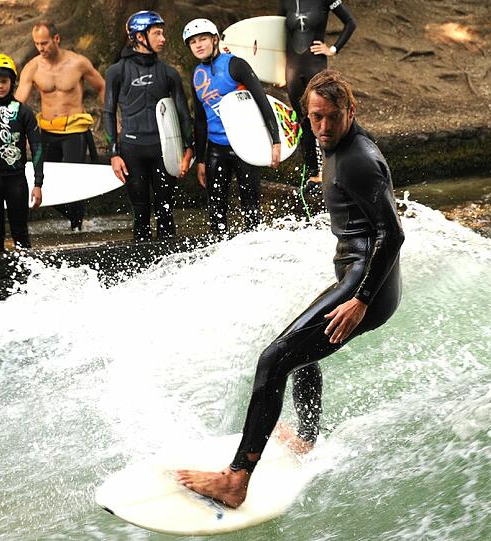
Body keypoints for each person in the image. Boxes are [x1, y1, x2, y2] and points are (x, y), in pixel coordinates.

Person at [176, 70, 404, 508]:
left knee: (273, 359)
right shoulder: (338, 143)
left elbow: (391, 235)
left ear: (349, 112)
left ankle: (236, 479)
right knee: (297, 350)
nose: (321, 127)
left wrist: (360, 300)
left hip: (365, 284)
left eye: (331, 118)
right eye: (314, 117)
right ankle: (305, 438)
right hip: (359, 278)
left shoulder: (358, 158)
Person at [183, 18, 281, 239]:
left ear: (215, 40)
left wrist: (275, 142)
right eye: (193, 42)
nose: (198, 45)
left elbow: (262, 102)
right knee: (216, 209)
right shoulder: (197, 75)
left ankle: (253, 247)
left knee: (251, 207)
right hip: (216, 150)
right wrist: (200, 160)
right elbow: (200, 120)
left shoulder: (236, 65)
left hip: (245, 146)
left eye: (203, 39)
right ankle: (220, 252)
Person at [103, 10, 194, 242]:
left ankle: (169, 263)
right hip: (131, 149)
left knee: (165, 209)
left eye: (162, 33)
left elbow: (184, 114)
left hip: (163, 149)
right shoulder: (116, 71)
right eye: (157, 33)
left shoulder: (169, 73)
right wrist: (114, 153)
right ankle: (143, 265)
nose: (163, 39)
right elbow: (108, 112)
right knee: (140, 210)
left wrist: (188, 150)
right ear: (140, 37)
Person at [15, 21, 105, 232]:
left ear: (56, 39)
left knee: (73, 180)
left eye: (44, 43)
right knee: (44, 182)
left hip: (74, 130)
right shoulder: (33, 67)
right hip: (47, 131)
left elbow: (102, 86)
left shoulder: (78, 63)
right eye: (36, 43)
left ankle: (77, 226)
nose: (40, 48)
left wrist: (114, 120)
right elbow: (19, 102)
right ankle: (77, 217)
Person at [278, 0, 356, 190]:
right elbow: (280, 34)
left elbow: (350, 22)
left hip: (316, 66)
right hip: (293, 70)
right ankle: (314, 175)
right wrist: (277, 69)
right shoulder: (285, 2)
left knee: (327, 119)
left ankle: (335, 171)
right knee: (304, 122)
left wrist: (332, 49)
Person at [0, 53, 44, 254]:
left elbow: (37, 147)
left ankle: (27, 277)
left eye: (4, 81)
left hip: (16, 181)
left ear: (12, 81)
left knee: (20, 232)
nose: (0, 86)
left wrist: (38, 183)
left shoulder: (24, 112)